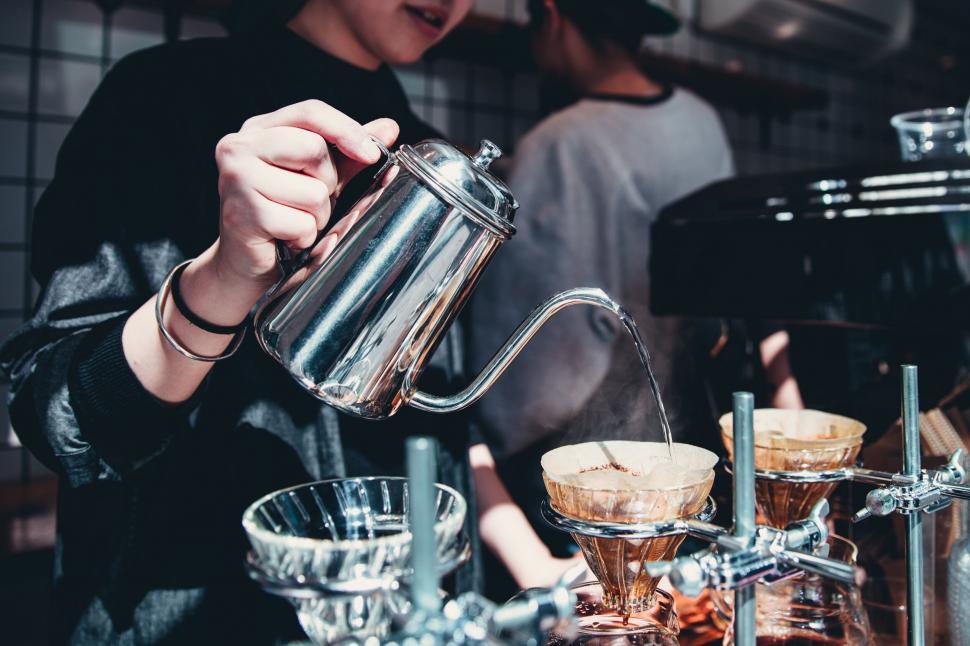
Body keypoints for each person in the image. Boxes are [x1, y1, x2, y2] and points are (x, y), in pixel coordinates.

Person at [0, 0, 570, 642]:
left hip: (401, 613)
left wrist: (538, 567)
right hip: (198, 611)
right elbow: (58, 414)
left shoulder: (427, 157)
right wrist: (221, 278)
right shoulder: (164, 98)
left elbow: (436, 410)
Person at [466, 0, 738, 597]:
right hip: (687, 426)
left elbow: (538, 335)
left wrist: (495, 437)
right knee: (679, 603)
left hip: (589, 450)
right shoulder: (701, 120)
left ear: (554, 17)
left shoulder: (565, 142)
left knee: (600, 611)